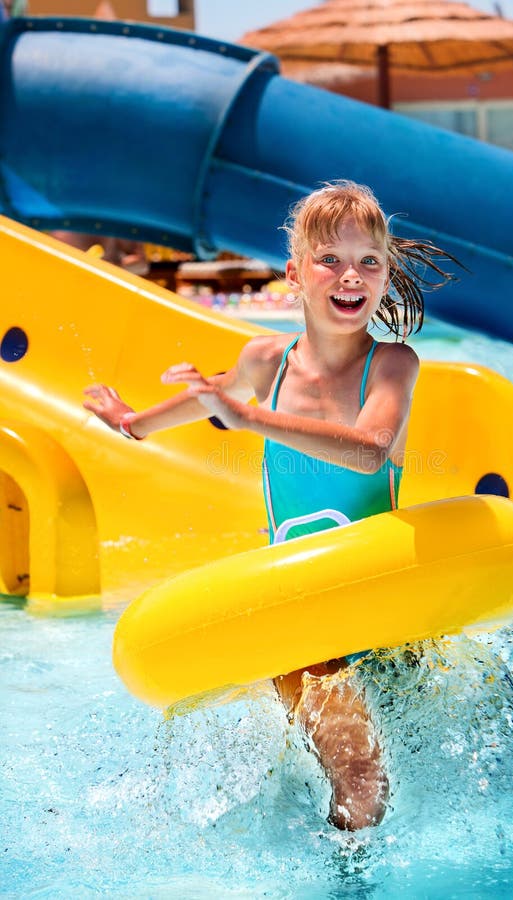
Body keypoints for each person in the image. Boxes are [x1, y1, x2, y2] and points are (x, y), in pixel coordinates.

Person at [84, 181, 458, 831]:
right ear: (293, 274)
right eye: (329, 260)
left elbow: (370, 450)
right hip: (300, 612)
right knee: (358, 775)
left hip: (379, 599)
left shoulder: (392, 363)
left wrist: (251, 416)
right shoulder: (266, 358)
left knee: (426, 751)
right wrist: (132, 422)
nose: (351, 276)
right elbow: (213, 397)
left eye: (369, 261)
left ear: (385, 275)